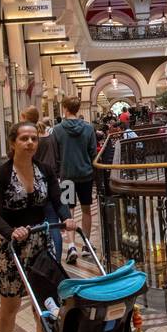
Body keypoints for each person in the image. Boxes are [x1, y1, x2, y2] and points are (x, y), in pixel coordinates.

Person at [0, 122, 75, 332]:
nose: (30, 143)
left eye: (34, 138)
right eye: (24, 138)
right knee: (9, 307)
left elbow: (57, 201)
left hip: (40, 245)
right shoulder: (1, 175)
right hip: (11, 246)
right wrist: (11, 231)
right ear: (13, 143)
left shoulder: (44, 170)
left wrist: (67, 219)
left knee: (43, 309)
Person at [52, 95, 98, 265]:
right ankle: (86, 244)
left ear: (65, 108)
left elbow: (55, 155)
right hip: (85, 175)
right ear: (78, 109)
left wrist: (58, 172)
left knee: (68, 212)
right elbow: (93, 152)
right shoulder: (88, 128)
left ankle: (71, 245)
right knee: (86, 210)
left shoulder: (57, 130)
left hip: (67, 177)